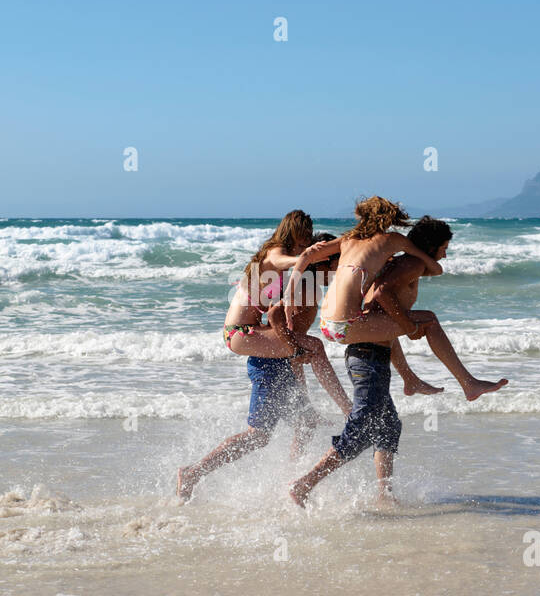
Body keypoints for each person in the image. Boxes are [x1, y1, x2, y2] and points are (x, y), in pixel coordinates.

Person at [288, 216, 508, 508]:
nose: (446, 253)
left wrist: (407, 374)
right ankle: (305, 484)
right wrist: (408, 325)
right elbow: (382, 294)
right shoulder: (410, 264)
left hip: (370, 354)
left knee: (389, 427)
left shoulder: (397, 263)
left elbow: (383, 320)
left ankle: (385, 496)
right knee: (364, 423)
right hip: (366, 356)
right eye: (444, 247)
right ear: (431, 246)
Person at [176, 237, 344, 503]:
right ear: (322, 262)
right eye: (335, 263)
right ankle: (193, 473)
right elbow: (278, 320)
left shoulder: (309, 288)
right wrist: (297, 352)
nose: (337, 270)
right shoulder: (303, 287)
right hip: (267, 365)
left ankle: (290, 480)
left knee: (306, 422)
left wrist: (301, 379)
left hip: (278, 360)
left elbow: (292, 349)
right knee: (258, 436)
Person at [285, 200, 505, 402]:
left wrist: (288, 296)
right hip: (347, 325)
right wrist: (410, 327)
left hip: (326, 325)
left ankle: (410, 379)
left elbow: (306, 256)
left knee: (387, 319)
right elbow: (435, 268)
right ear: (387, 219)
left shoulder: (348, 241)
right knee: (429, 319)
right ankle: (469, 383)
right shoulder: (392, 240)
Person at [223, 213, 351, 413]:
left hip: (251, 331)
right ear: (291, 233)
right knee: (315, 346)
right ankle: (347, 408)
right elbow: (275, 312)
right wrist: (308, 256)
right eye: (303, 238)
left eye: (309, 238)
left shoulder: (295, 278)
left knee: (303, 422)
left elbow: (288, 333)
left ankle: (327, 410)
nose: (306, 243)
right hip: (238, 332)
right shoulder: (275, 252)